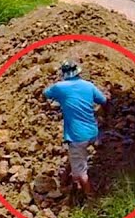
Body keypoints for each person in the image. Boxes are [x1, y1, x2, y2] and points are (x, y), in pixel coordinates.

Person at [43, 58, 107, 200]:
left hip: (77, 136)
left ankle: (91, 199)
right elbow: (103, 100)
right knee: (75, 157)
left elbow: (45, 94)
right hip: (92, 132)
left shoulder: (59, 87)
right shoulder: (88, 86)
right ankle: (64, 181)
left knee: (81, 174)